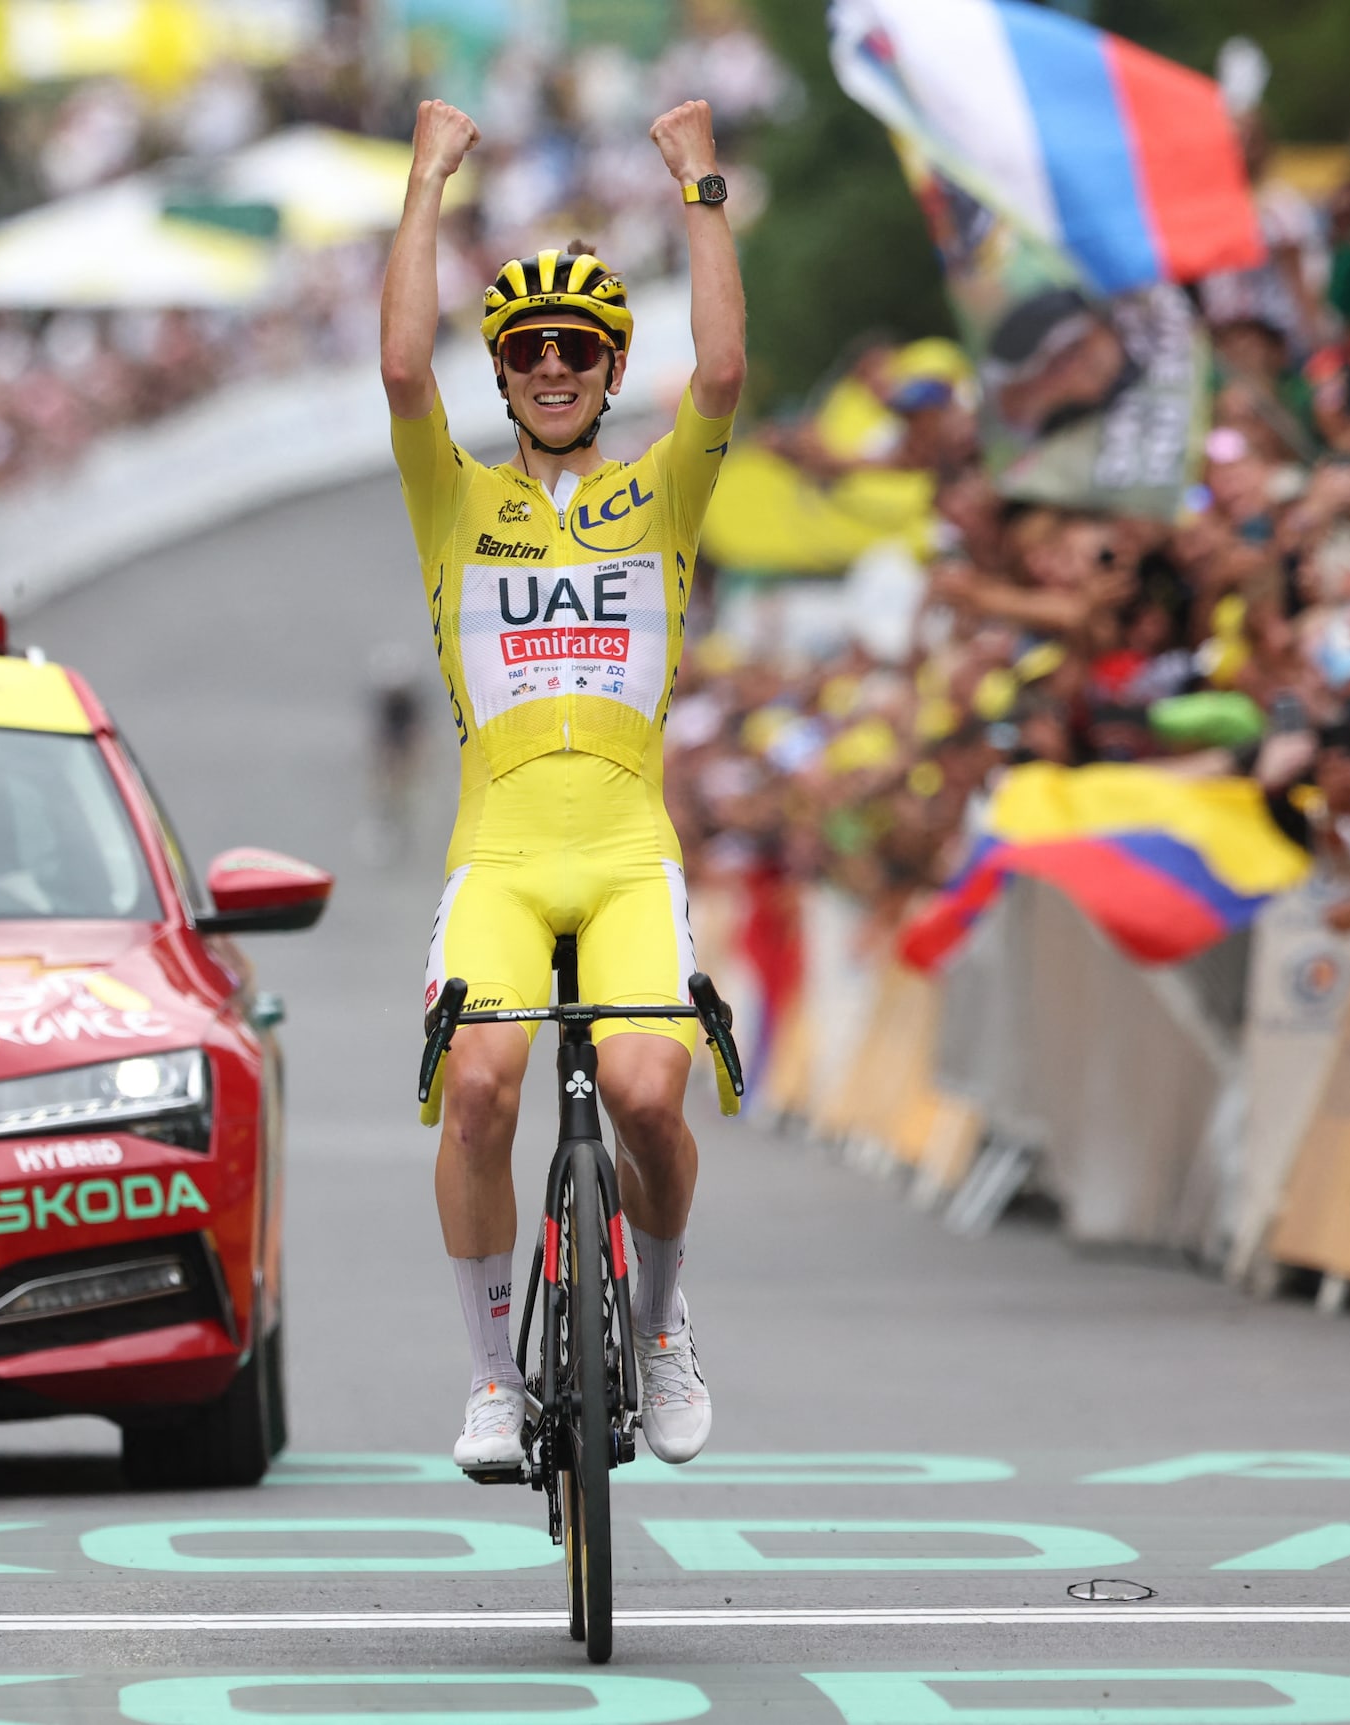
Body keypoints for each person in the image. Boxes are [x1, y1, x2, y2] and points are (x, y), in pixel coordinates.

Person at [378, 96, 746, 1471]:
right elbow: (401, 370)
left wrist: (700, 185)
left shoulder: (659, 496)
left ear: (604, 368)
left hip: (629, 844)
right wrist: (427, 183)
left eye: (574, 350)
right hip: (505, 856)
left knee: (652, 1095)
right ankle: (488, 1376)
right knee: (480, 1084)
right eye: (525, 350)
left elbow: (721, 368)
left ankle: (660, 1332)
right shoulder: (456, 500)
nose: (547, 367)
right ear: (504, 368)